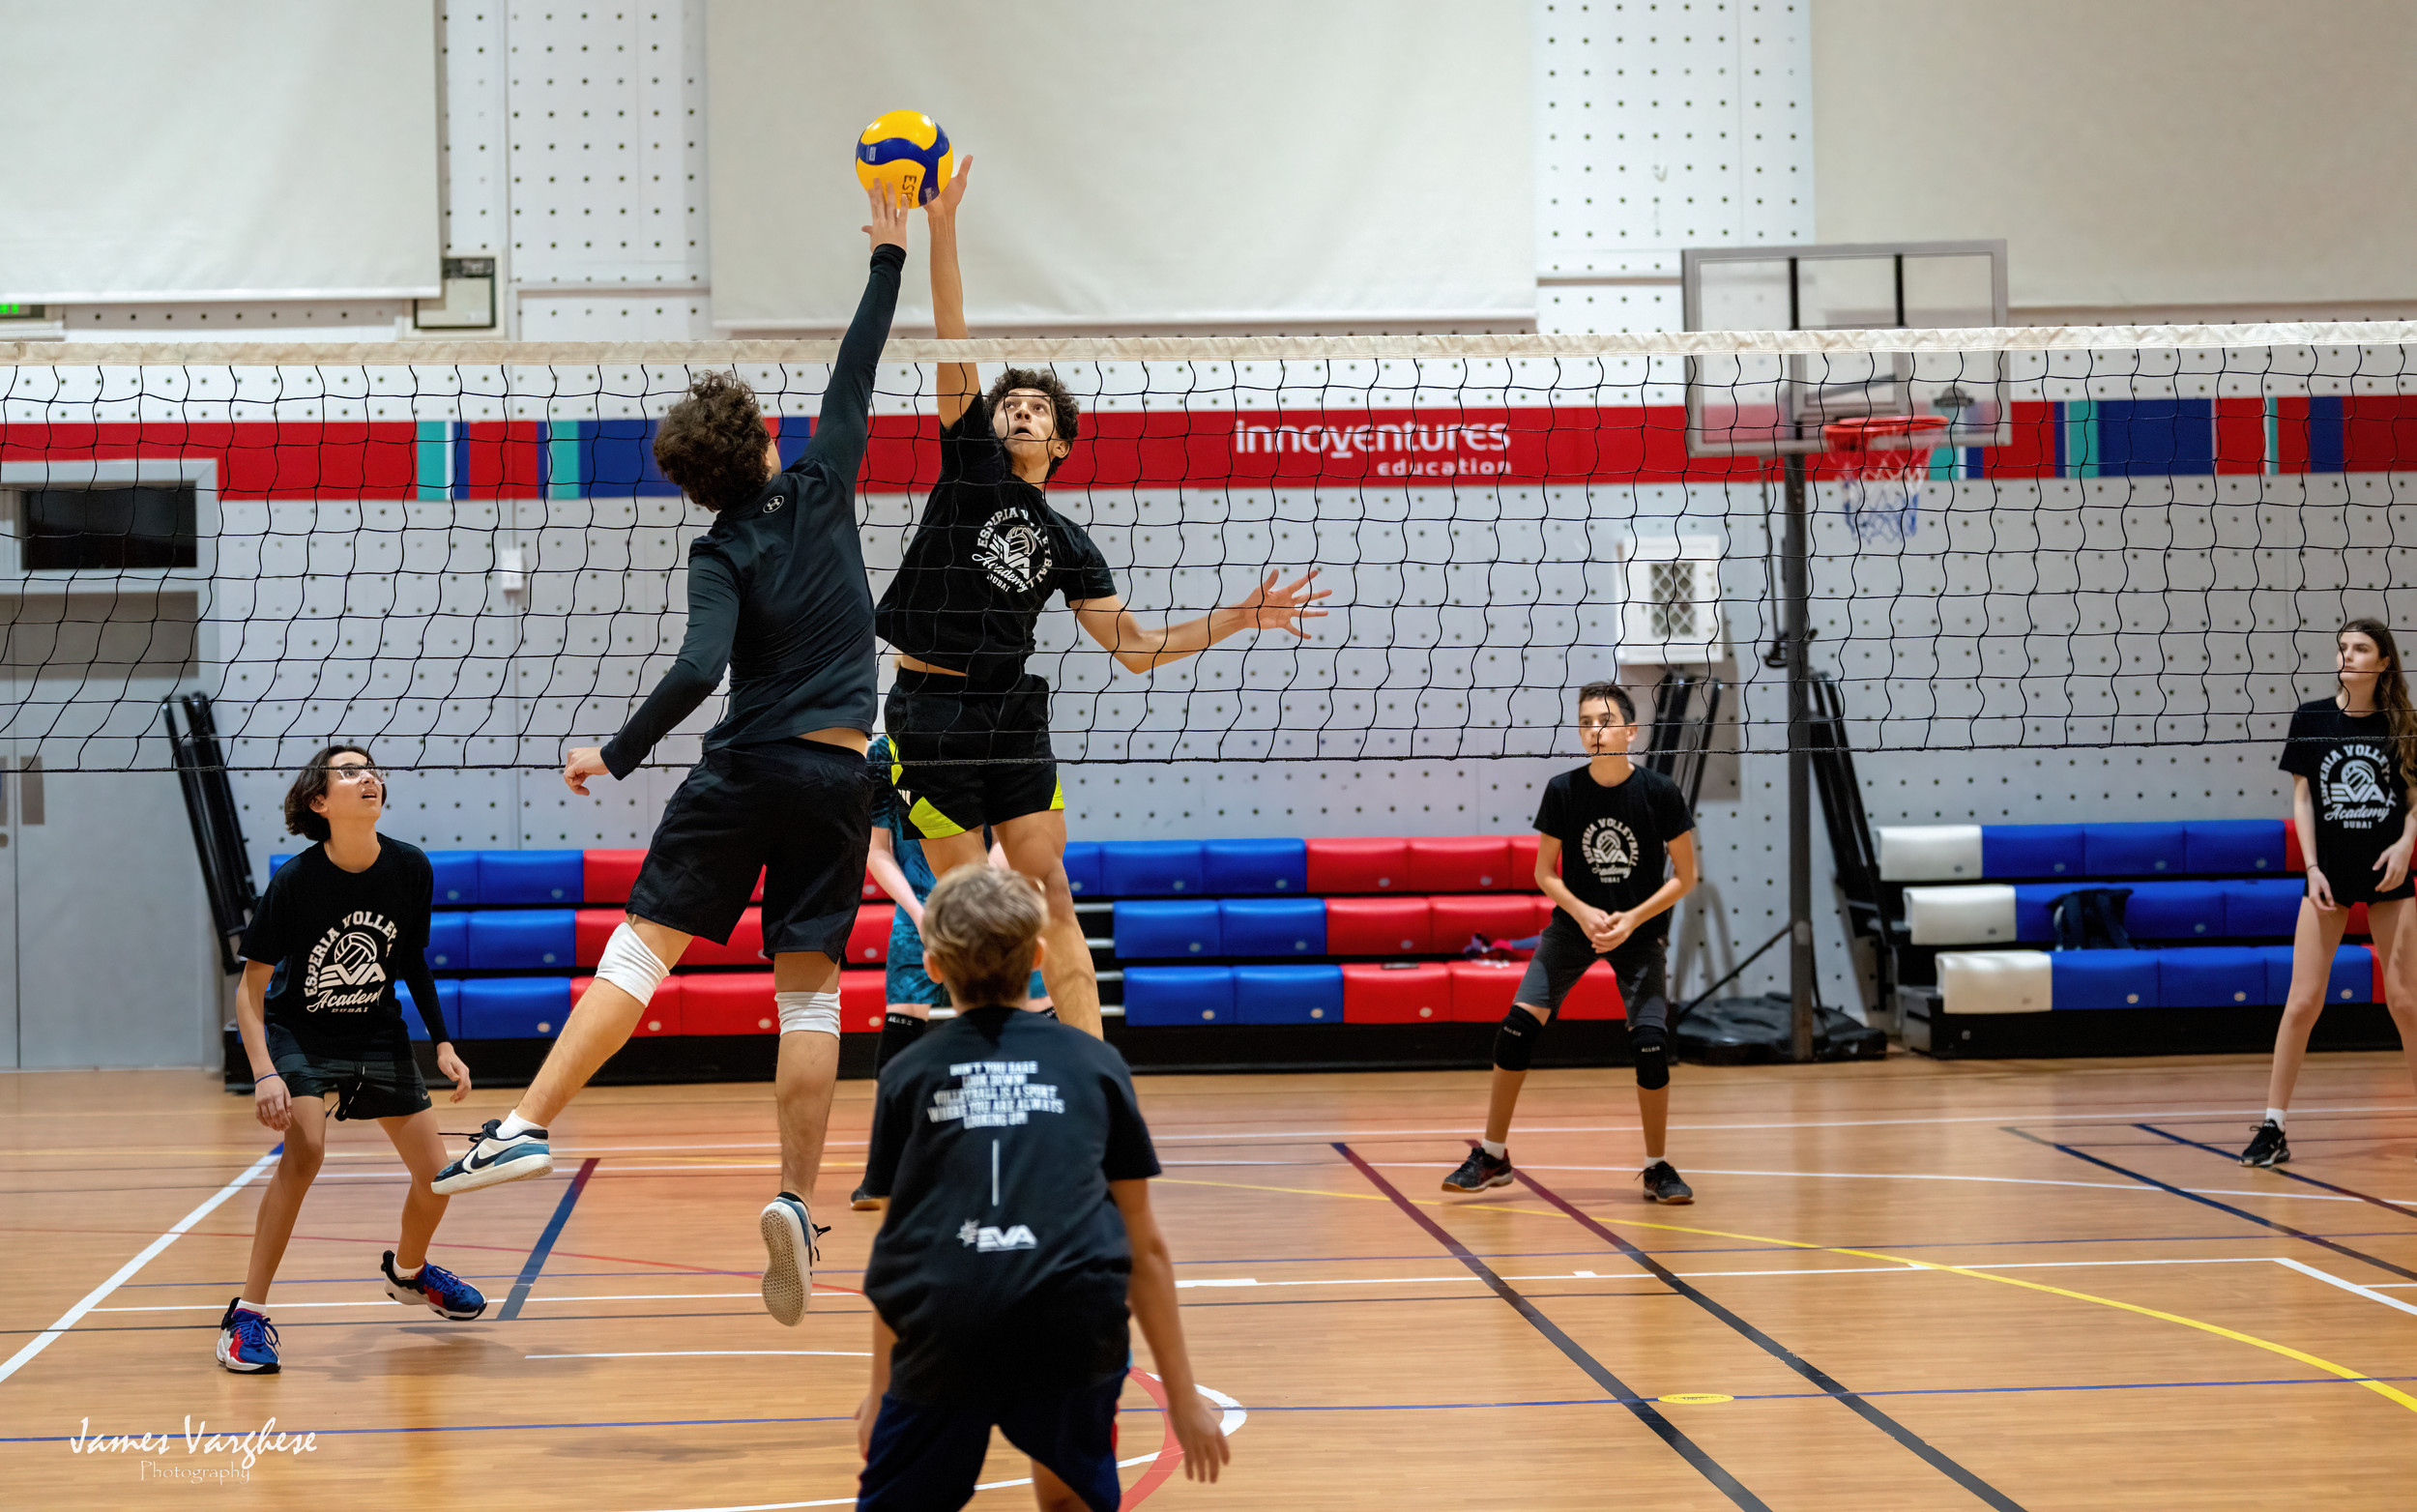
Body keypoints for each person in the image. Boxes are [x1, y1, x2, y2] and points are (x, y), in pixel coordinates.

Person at [432, 184, 913, 1329]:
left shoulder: (717, 548)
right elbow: (858, 362)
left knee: (639, 958)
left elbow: (700, 669)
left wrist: (616, 751)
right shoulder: (824, 487)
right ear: (763, 441)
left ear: (693, 483)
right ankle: (796, 1197)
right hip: (841, 778)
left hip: (743, 772)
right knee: (810, 1002)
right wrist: (890, 254)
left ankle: (527, 1123)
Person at [874, 156, 1327, 1039]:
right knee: (967, 912)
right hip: (927, 713)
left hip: (1011, 714)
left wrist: (1242, 617)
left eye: (1041, 408)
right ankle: (978, 1065)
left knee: (1049, 898)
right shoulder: (967, 466)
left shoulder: (1072, 543)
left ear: (1064, 444)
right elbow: (953, 335)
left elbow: (1137, 648)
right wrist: (943, 224)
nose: (1023, 412)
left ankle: (1091, 1079)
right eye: (1015, 404)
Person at [853, 865, 1228, 1512]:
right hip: (1072, 1320)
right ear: (1037, 956)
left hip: (951, 1319)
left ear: (934, 966)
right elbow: (1147, 1246)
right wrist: (1183, 1396)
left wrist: (883, 1390)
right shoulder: (1096, 1063)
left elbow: (899, 1247)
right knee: (1069, 1499)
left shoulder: (907, 1073)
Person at [220, 745, 485, 1373]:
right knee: (306, 1153)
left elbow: (412, 960)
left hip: (376, 1034)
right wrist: (264, 1072)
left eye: (370, 768)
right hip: (300, 1034)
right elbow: (250, 991)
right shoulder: (296, 881)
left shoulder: (408, 868)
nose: (367, 777)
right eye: (348, 771)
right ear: (321, 802)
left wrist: (443, 1042)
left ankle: (409, 1273)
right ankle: (247, 1317)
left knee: (437, 1174)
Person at [1442, 681, 1701, 1204]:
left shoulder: (1659, 793)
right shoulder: (1563, 790)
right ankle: (1493, 1155)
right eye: (1585, 722)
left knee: (1651, 1046)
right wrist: (1585, 915)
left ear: (1631, 730)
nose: (1594, 731)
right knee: (1515, 1031)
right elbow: (1545, 873)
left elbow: (1686, 877)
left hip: (1638, 928)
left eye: (1604, 721)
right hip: (1572, 928)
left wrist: (1629, 921)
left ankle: (1657, 1167)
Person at [2242, 618, 2417, 1167]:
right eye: (2342, 646)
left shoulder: (2403, 725)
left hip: (2389, 871)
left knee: (2406, 1001)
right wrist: (2312, 867)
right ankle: (2274, 1126)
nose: (2347, 655)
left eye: (2360, 648)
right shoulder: (2313, 717)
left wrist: (2407, 846)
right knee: (2302, 1002)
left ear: (2383, 662)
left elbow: (2415, 802)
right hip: (2329, 874)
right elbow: (2302, 798)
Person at [853, 732, 1051, 1211]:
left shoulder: (994, 732)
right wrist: (922, 915)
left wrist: (982, 891)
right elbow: (877, 850)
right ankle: (884, 1171)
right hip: (920, 903)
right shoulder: (885, 752)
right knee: (902, 1018)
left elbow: (1015, 833)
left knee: (1038, 1008)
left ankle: (1046, 1144)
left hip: (993, 890)